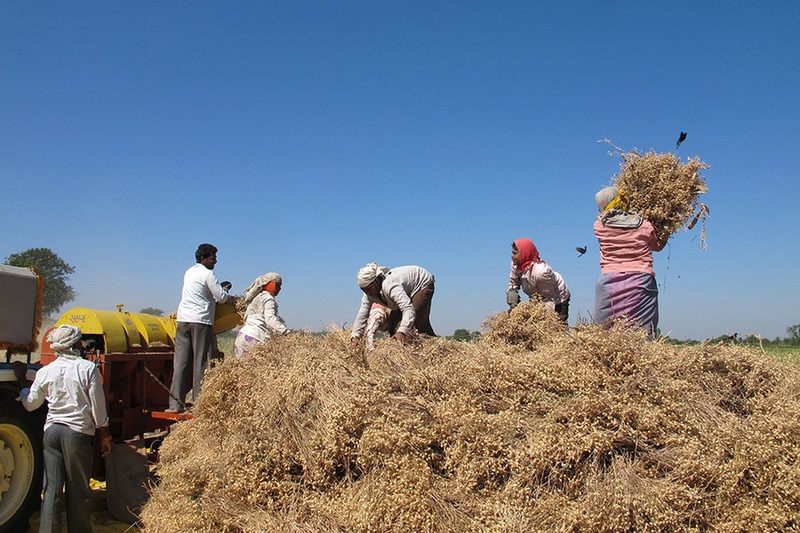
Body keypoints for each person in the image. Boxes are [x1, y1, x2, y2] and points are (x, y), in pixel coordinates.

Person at [14, 324, 112, 533]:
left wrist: (22, 380)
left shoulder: (45, 371)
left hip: (51, 433)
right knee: (78, 490)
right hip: (76, 434)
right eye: (80, 341)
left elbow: (31, 403)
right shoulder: (87, 369)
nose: (83, 344)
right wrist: (104, 434)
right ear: (75, 344)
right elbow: (98, 407)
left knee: (51, 490)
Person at [592, 185, 667, 339]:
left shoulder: (599, 226)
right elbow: (657, 246)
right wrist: (666, 228)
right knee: (642, 334)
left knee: (602, 336)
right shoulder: (645, 225)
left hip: (609, 284)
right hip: (641, 283)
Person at [168, 243, 234, 413]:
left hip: (183, 320)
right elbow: (220, 297)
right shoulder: (208, 274)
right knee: (201, 362)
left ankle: (175, 404)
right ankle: (199, 404)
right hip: (201, 321)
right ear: (203, 258)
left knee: (181, 363)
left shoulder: (189, 272)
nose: (216, 261)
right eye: (213, 257)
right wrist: (230, 297)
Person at [349, 263, 436, 347]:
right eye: (364, 290)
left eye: (369, 289)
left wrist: (402, 332)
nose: (368, 293)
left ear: (376, 281)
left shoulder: (390, 285)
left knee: (417, 321)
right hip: (406, 291)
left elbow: (408, 309)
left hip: (421, 284)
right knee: (392, 325)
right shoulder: (369, 294)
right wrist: (355, 336)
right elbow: (362, 315)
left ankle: (434, 346)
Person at [506, 237, 571, 324]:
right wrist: (512, 302)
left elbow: (549, 298)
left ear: (524, 254)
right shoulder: (516, 265)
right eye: (512, 253)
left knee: (557, 324)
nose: (512, 256)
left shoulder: (540, 272)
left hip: (557, 295)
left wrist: (547, 321)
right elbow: (514, 283)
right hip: (536, 294)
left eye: (515, 253)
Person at [234, 272, 289, 357]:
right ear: (270, 284)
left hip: (242, 336)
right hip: (255, 338)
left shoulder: (256, 297)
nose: (280, 289)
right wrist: (286, 332)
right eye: (277, 285)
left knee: (242, 367)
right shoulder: (268, 299)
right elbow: (270, 319)